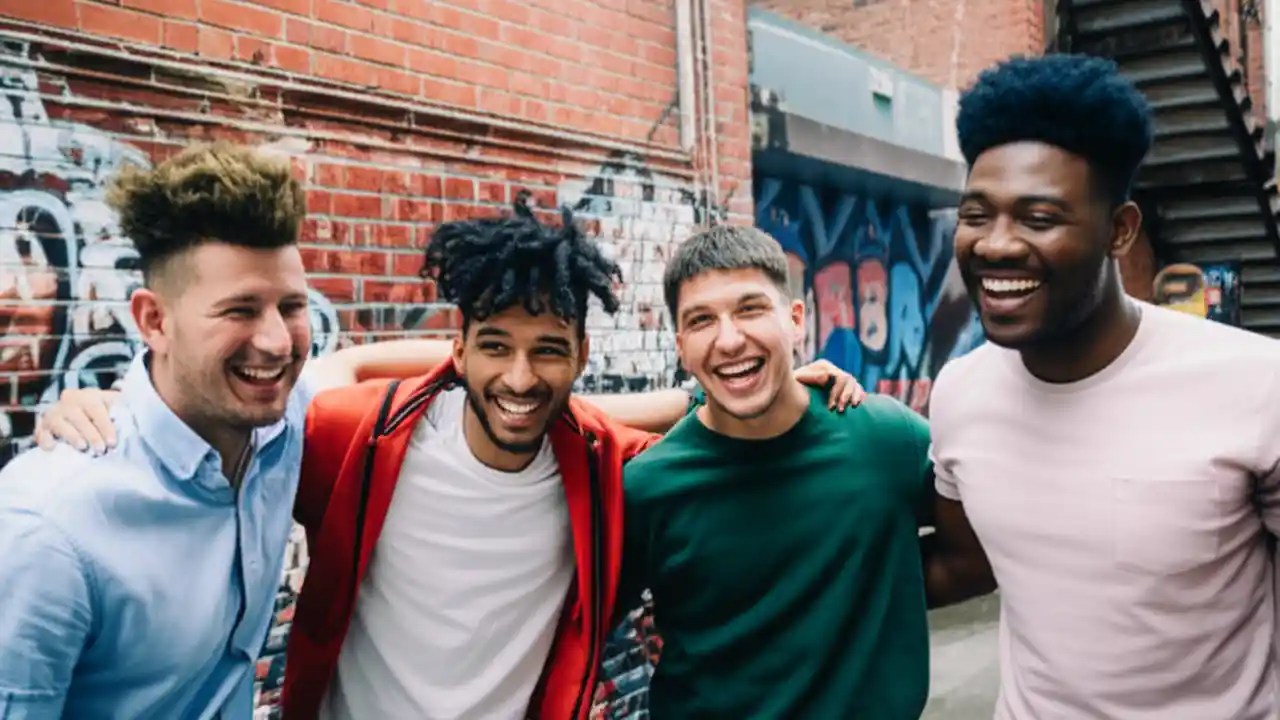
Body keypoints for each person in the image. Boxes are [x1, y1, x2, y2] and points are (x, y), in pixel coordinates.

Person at [33, 204, 862, 719]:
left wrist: (781, 392)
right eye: (494, 346)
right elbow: (222, 416)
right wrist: (106, 412)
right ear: (458, 348)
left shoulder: (615, 469)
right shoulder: (353, 437)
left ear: (580, 358)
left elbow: (727, 454)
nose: (520, 378)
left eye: (549, 351)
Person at [927, 53, 1280, 719]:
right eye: (977, 214)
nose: (996, 245)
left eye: (1038, 218)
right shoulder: (959, 392)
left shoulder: (1257, 384)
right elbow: (964, 564)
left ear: (1120, 231)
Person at [613, 225, 993, 719]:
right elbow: (583, 626)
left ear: (795, 320)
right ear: (681, 346)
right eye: (702, 320)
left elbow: (975, 560)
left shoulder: (884, 440)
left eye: (750, 309)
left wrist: (877, 590)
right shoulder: (647, 486)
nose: (729, 339)